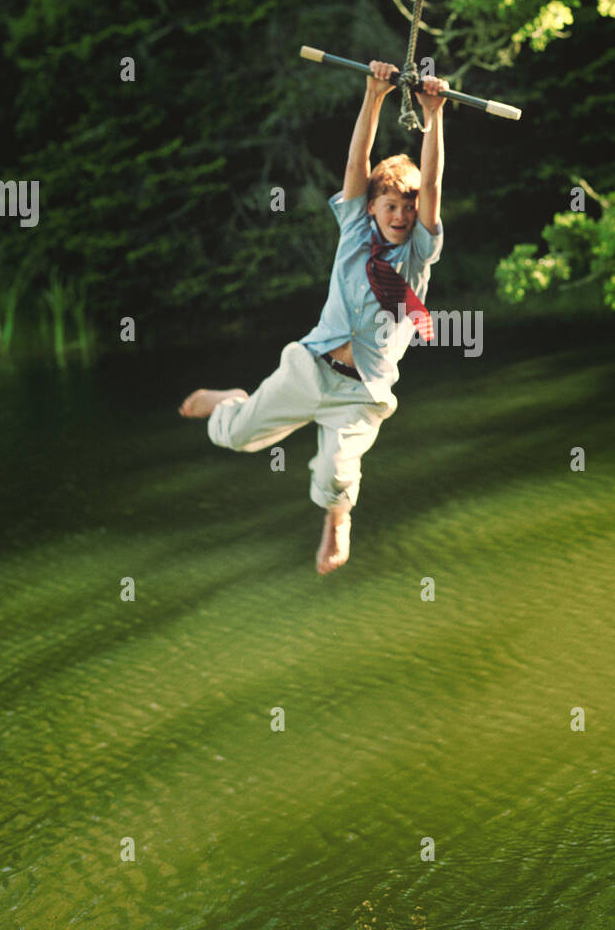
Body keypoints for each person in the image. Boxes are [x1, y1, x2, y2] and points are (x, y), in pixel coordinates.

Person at [179, 60, 446, 574]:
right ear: (371, 208)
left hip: (360, 392)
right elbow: (355, 164)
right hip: (310, 366)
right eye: (389, 205)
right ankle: (234, 400)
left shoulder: (415, 256)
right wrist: (373, 95)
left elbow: (431, 184)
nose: (399, 215)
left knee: (336, 470)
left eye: (406, 210)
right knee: (237, 437)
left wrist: (432, 118)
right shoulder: (352, 229)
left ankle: (336, 521)